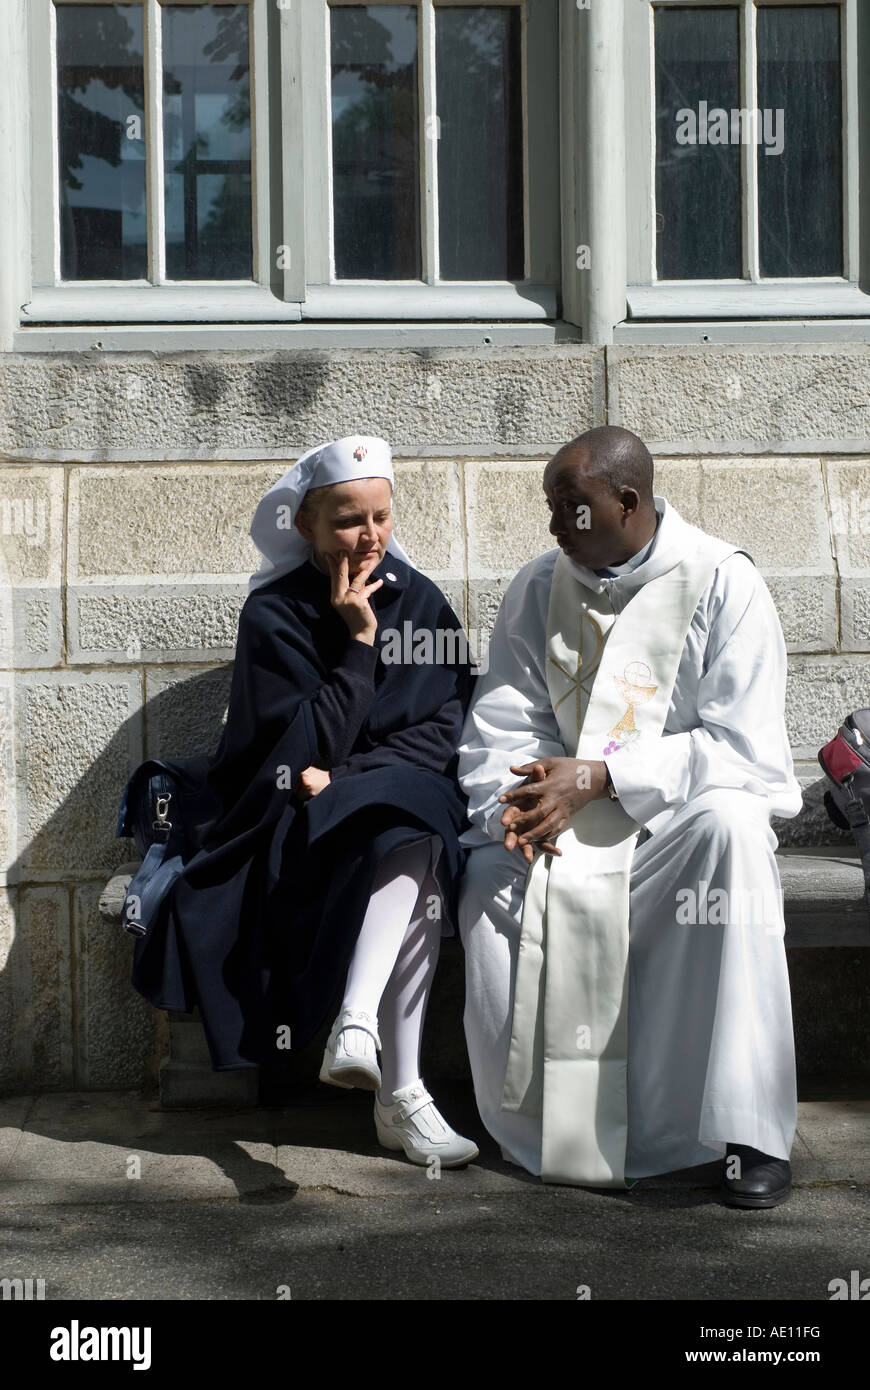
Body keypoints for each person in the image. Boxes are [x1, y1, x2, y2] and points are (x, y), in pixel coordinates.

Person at [457, 425, 803, 1207]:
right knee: (486, 873)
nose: (553, 526)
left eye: (569, 507)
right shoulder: (537, 586)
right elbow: (502, 724)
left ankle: (746, 1133)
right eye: (549, 506)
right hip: (567, 833)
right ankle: (558, 1129)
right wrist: (521, 804)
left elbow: (745, 752)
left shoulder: (724, 582)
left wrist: (607, 776)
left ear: (627, 500)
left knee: (735, 833)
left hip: (671, 832)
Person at [131, 436, 479, 1168]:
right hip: (297, 823)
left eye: (382, 516)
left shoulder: (422, 603)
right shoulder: (275, 614)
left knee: (408, 821)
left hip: (389, 802)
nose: (371, 536)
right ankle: (401, 1095)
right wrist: (357, 644)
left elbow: (447, 729)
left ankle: (358, 1026)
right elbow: (290, 756)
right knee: (410, 835)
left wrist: (356, 777)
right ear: (307, 527)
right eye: (349, 520)